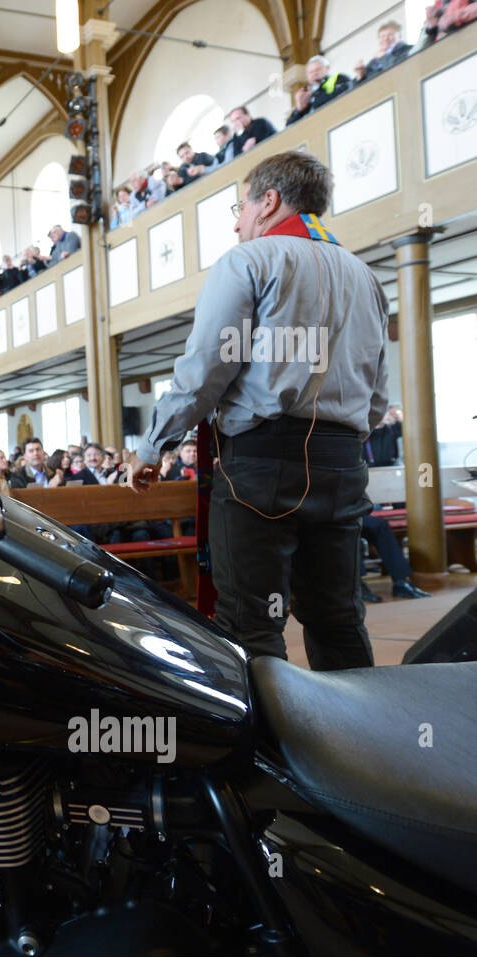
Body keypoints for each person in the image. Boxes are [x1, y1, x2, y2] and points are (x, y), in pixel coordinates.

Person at [127, 151, 389, 670]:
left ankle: (263, 752)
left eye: (239, 207)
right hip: (342, 469)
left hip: (262, 470)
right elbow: (377, 397)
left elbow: (206, 369)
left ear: (268, 201)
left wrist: (154, 442)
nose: (238, 221)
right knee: (337, 618)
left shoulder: (249, 261)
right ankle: (360, 745)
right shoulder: (365, 276)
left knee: (250, 627)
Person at [286, 55, 352, 126]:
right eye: (311, 72)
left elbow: (346, 93)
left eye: (317, 70)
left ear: (327, 68)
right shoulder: (306, 94)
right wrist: (299, 109)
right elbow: (289, 125)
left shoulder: (339, 79)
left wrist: (314, 97)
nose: (314, 74)